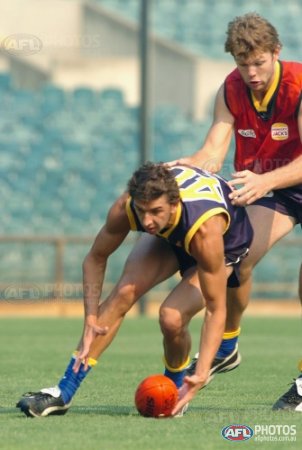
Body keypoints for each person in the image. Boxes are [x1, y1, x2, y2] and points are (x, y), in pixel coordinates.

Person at [16, 162, 253, 418]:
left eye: (155, 211)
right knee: (123, 294)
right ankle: (64, 391)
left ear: (174, 203)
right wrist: (90, 320)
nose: (147, 221)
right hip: (171, 233)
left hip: (224, 243)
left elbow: (216, 310)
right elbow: (95, 258)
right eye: (142, 211)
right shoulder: (128, 207)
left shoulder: (205, 230)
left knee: (171, 318)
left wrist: (201, 372)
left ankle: (175, 387)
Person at [169, 12, 302, 414]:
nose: (251, 72)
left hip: (278, 180)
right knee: (236, 259)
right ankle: (228, 345)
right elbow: (214, 150)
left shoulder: (298, 86)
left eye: (259, 62)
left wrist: (265, 181)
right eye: (243, 64)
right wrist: (187, 164)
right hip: (274, 188)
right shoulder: (231, 89)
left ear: (276, 53)